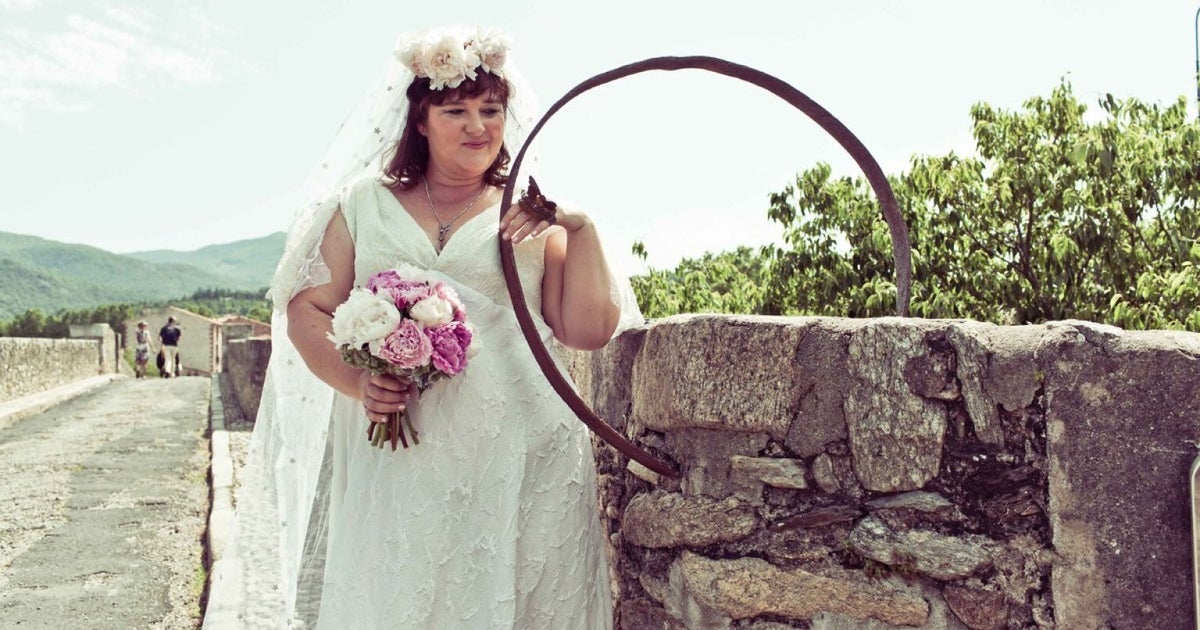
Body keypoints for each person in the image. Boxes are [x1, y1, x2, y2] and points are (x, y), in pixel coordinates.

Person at [204, 26, 643, 629]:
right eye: (456, 110)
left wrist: (580, 227)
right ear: (420, 120)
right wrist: (358, 383)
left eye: (491, 110)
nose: (478, 126)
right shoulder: (363, 204)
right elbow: (308, 308)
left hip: (519, 452)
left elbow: (588, 331)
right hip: (401, 454)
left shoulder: (532, 212)